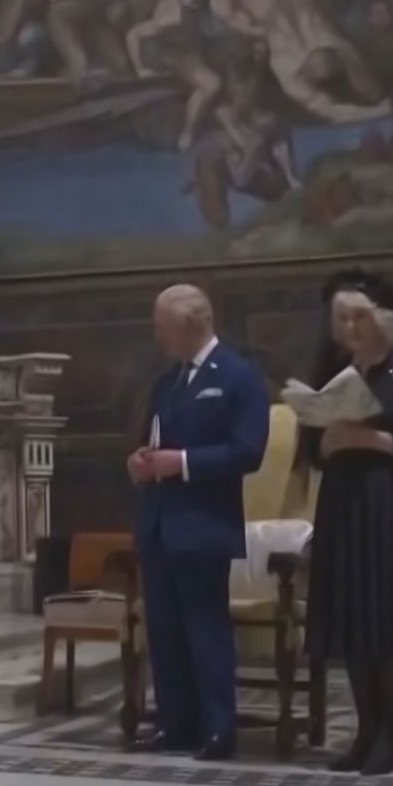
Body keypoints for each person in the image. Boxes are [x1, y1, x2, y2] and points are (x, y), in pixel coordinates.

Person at [301, 271, 393, 776]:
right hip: (342, 501)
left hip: (389, 501)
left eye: (359, 318)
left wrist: (368, 439)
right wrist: (324, 444)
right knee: (353, 616)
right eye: (342, 319)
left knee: (386, 619)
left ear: (383, 318)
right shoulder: (338, 369)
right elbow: (313, 447)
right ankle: (365, 730)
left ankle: (392, 731)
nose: (350, 328)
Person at [128, 284, 270, 761]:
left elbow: (248, 451)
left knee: (205, 632)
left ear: (191, 324)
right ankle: (175, 724)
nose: (157, 336)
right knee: (165, 633)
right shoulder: (166, 382)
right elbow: (154, 440)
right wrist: (141, 462)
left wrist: (183, 463)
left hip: (204, 524)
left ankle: (217, 729)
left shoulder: (238, 376)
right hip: (160, 523)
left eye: (162, 326)